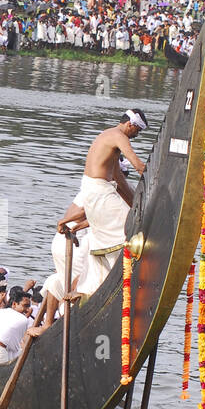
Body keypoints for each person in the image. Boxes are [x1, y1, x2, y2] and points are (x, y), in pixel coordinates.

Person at [77, 108, 147, 288]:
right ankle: (128, 272)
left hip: (96, 188)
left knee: (107, 234)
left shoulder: (110, 137)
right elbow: (136, 162)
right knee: (130, 224)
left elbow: (119, 179)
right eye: (137, 131)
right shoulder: (118, 135)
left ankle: (104, 280)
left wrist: (137, 205)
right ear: (130, 124)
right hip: (98, 189)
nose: (136, 136)